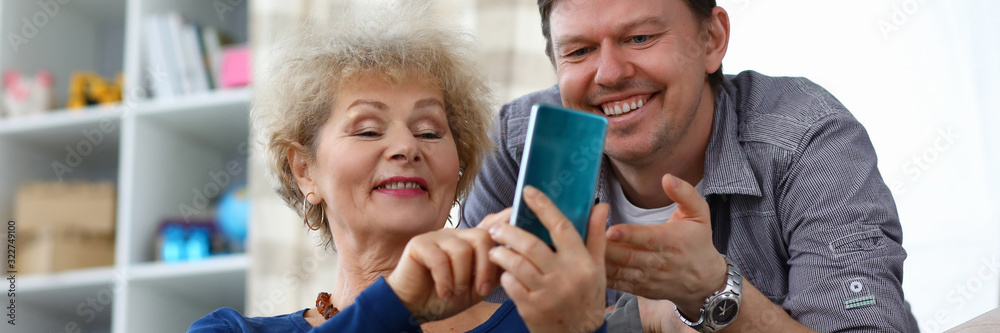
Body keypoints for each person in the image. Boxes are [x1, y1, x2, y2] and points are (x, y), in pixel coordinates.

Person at [461, 0, 920, 332]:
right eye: (579, 51)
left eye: (639, 38)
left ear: (712, 39)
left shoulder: (808, 139)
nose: (609, 73)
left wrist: (714, 290)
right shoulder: (519, 142)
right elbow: (467, 320)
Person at [188, 2, 610, 332]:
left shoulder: (544, 326)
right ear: (304, 170)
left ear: (459, 170)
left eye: (429, 132)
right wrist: (396, 303)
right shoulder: (228, 329)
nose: (406, 147)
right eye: (368, 131)